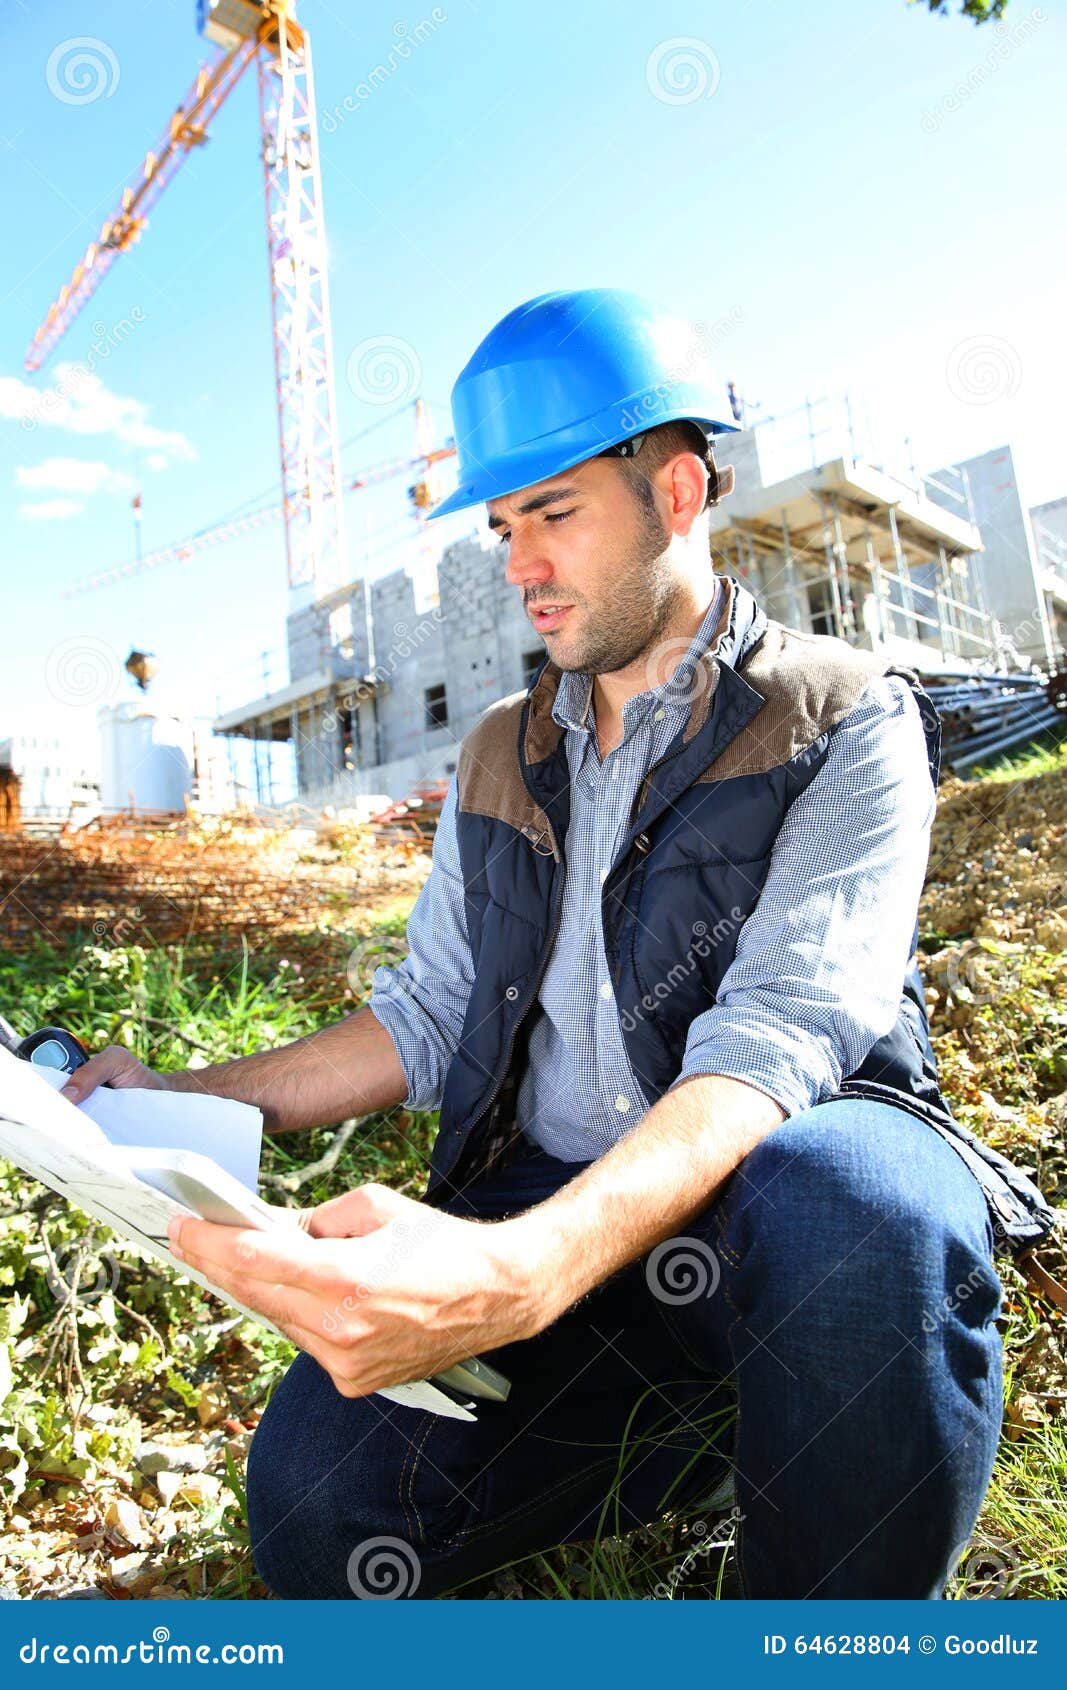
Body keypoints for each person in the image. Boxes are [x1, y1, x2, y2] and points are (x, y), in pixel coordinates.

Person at [64, 289, 1052, 1600]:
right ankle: (691, 1442)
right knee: (315, 1494)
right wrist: (177, 1100)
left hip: (773, 1221)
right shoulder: (499, 756)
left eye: (556, 512)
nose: (518, 564)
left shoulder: (843, 716)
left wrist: (521, 1274)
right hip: (563, 1236)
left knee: (862, 1208)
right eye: (503, 525)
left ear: (680, 489)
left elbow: (776, 1044)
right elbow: (424, 1014)